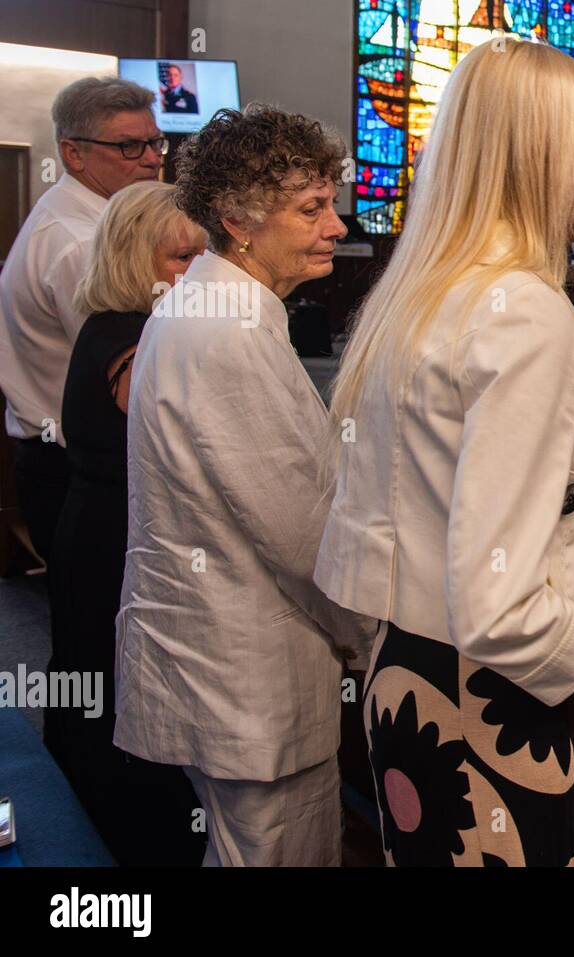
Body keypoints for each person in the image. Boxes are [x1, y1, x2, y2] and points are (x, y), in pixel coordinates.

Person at [315, 39, 574, 867]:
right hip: (480, 700)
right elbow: (499, 615)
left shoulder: (431, 289)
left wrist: (551, 559)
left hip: (404, 671)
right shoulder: (526, 317)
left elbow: (417, 502)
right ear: (537, 154)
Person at [114, 105, 376, 867]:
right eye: (310, 208)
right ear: (237, 220)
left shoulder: (215, 304)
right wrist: (380, 639)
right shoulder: (225, 331)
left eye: (330, 200)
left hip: (227, 657)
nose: (334, 224)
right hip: (246, 672)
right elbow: (299, 532)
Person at [47, 180, 206, 865]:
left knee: (95, 684)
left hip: (95, 526)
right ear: (132, 259)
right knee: (111, 698)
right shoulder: (139, 343)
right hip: (110, 540)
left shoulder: (114, 326)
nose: (197, 275)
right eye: (180, 260)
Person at [0, 76, 162, 564]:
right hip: (76, 466)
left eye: (155, 142)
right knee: (93, 628)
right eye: (130, 146)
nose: (152, 158)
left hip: (69, 458)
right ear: (73, 154)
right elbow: (125, 374)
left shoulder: (88, 221)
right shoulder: (80, 242)